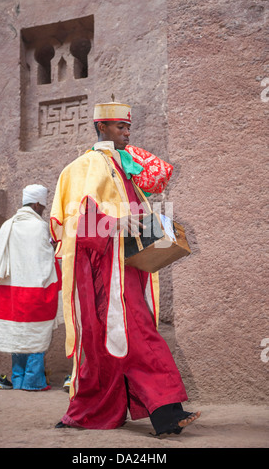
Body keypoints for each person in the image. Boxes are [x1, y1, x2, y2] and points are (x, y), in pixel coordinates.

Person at [50, 101, 200, 436]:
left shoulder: (123, 167)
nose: (127, 132)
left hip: (129, 268)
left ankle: (92, 409)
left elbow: (130, 213)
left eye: (128, 127)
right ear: (101, 127)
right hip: (105, 273)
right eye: (120, 127)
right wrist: (118, 222)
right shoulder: (86, 165)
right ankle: (166, 415)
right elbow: (78, 220)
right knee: (136, 336)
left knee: (119, 341)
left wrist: (151, 225)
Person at [0, 184, 61, 391]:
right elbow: (45, 260)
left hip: (10, 291)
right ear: (38, 204)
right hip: (34, 290)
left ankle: (18, 379)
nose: (43, 212)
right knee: (35, 332)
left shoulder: (7, 225)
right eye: (43, 207)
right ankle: (33, 382)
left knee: (18, 333)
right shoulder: (39, 227)